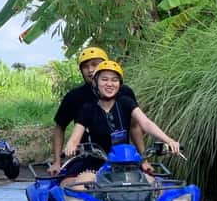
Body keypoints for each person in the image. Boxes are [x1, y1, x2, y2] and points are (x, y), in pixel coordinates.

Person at [61, 60, 180, 188]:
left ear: (120, 84)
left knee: (155, 188)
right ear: (95, 82)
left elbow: (145, 123)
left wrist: (169, 140)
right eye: (104, 79)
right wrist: (71, 146)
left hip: (126, 166)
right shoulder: (88, 109)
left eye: (114, 80)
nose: (110, 84)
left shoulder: (126, 102)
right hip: (96, 166)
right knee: (78, 189)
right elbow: (75, 138)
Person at [50, 47, 151, 175]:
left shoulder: (125, 94)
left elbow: (135, 126)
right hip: (89, 159)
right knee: (76, 181)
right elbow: (60, 127)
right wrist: (57, 162)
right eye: (86, 66)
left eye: (95, 64)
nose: (91, 70)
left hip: (122, 159)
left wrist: (144, 160)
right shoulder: (74, 97)